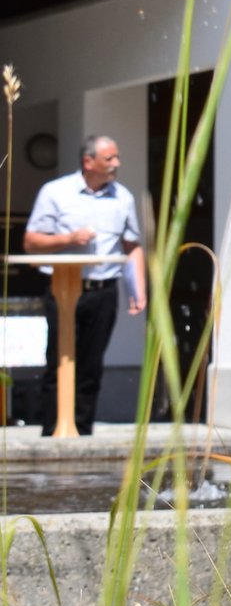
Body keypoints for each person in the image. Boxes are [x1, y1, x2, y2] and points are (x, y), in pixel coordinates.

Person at [24, 134, 147, 435]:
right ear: (88, 162)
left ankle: (82, 432)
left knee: (91, 367)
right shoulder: (55, 192)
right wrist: (68, 239)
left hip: (103, 290)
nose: (117, 164)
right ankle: (53, 432)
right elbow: (31, 241)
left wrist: (138, 289)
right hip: (64, 291)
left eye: (117, 158)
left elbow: (132, 246)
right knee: (58, 363)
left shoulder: (123, 198)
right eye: (110, 159)